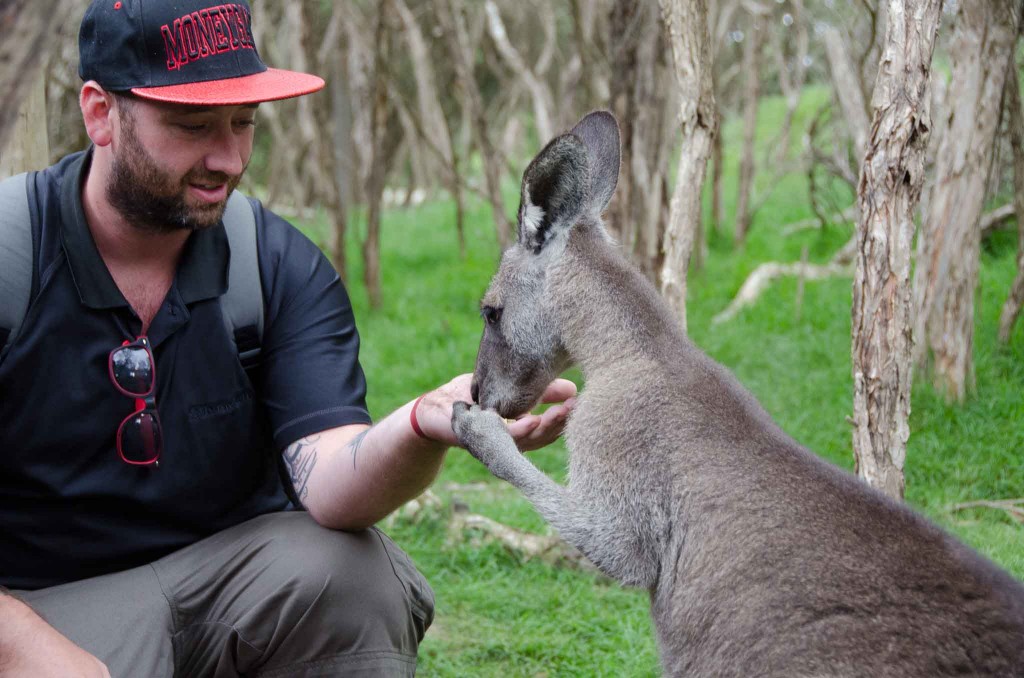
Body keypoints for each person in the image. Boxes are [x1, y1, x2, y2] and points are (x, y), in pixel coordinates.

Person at [0, 1, 576, 676]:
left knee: (351, 574)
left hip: (225, 580)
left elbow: (328, 480)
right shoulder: (14, 256)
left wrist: (425, 425)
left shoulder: (273, 265)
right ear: (100, 112)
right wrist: (18, 642)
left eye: (244, 123)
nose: (229, 158)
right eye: (192, 124)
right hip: (43, 603)